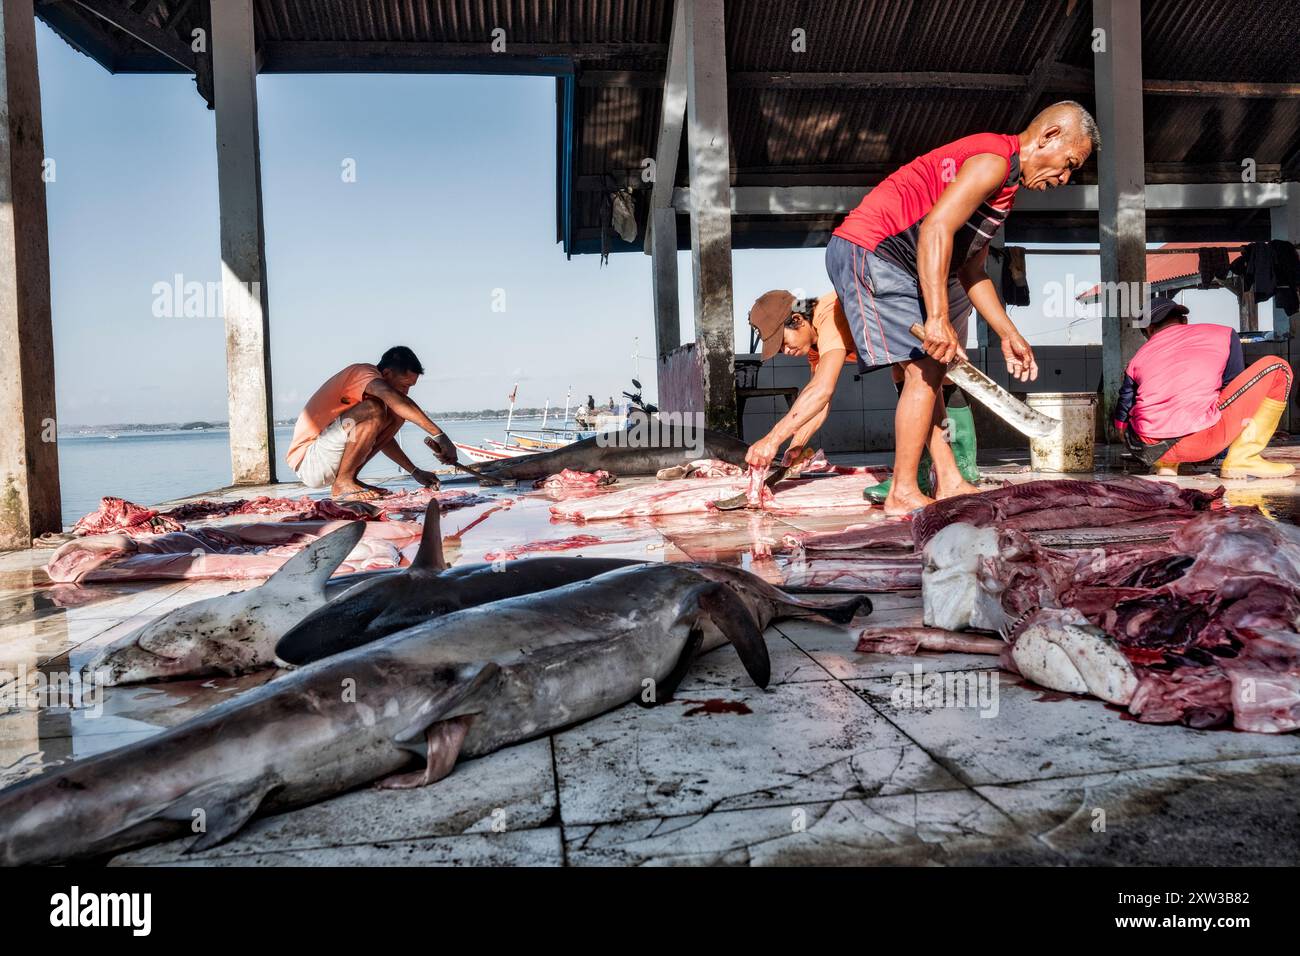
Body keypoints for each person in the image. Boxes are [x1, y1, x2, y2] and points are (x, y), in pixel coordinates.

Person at [825, 101, 1099, 514]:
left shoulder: (1003, 189)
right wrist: (937, 318)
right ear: (1049, 136)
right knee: (926, 367)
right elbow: (935, 229)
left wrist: (1010, 333)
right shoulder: (992, 160)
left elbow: (972, 270)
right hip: (873, 250)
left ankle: (949, 479)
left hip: (897, 258)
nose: (1064, 177)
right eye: (1069, 163)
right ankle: (902, 491)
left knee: (929, 370)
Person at [1114, 297, 1295, 479]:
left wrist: (1126, 431)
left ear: (1150, 330)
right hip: (1202, 442)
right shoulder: (1223, 334)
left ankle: (1166, 465)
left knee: (1151, 406)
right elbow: (1232, 389)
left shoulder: (1138, 357)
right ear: (1184, 321)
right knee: (1278, 368)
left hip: (1145, 446)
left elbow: (1123, 409)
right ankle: (1243, 458)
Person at [285, 346, 457, 501]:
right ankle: (343, 482)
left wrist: (414, 471)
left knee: (394, 415)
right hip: (310, 459)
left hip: (331, 454)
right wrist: (439, 435)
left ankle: (349, 478)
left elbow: (376, 437)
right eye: (405, 385)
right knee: (375, 408)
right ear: (387, 374)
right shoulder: (362, 373)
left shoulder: (373, 405)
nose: (406, 392)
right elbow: (397, 401)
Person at [745, 290, 857, 468]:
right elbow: (820, 405)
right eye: (781, 350)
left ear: (797, 319)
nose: (786, 351)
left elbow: (821, 390)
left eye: (784, 342)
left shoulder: (829, 313)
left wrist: (772, 440)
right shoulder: (815, 348)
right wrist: (796, 447)